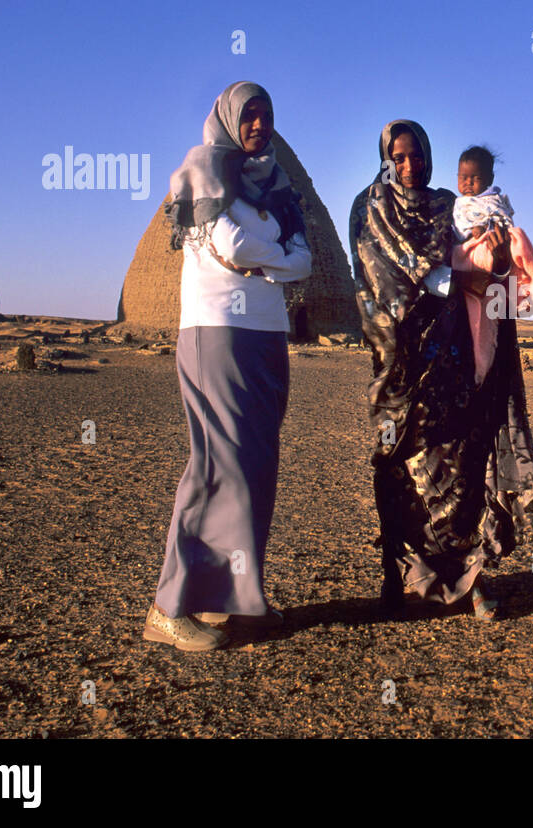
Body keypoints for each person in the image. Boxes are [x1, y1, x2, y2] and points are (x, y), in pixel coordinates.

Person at [349, 120, 533, 621]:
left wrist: (494, 269)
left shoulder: (448, 207)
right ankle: (398, 575)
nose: (411, 165)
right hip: (399, 366)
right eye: (400, 156)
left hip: (457, 362)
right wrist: (462, 277)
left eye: (418, 155)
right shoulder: (370, 209)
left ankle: (468, 578)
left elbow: (497, 273)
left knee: (461, 472)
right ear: (386, 159)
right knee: (401, 470)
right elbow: (388, 280)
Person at [144, 81, 312, 652]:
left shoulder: (275, 184)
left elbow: (305, 262)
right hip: (215, 331)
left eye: (267, 114)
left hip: (267, 335)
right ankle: (168, 607)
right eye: (250, 115)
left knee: (256, 471)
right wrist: (277, 260)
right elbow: (231, 244)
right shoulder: (204, 169)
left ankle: (242, 600)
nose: (259, 124)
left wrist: (272, 262)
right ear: (228, 118)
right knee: (219, 465)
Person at [452, 145, 533, 385]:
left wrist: (485, 230)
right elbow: (455, 229)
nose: (468, 184)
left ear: (489, 179)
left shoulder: (494, 199)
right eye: (463, 178)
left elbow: (502, 222)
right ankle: (479, 370)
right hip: (468, 267)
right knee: (479, 319)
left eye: (475, 179)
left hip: (493, 253)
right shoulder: (455, 204)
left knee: (521, 250)